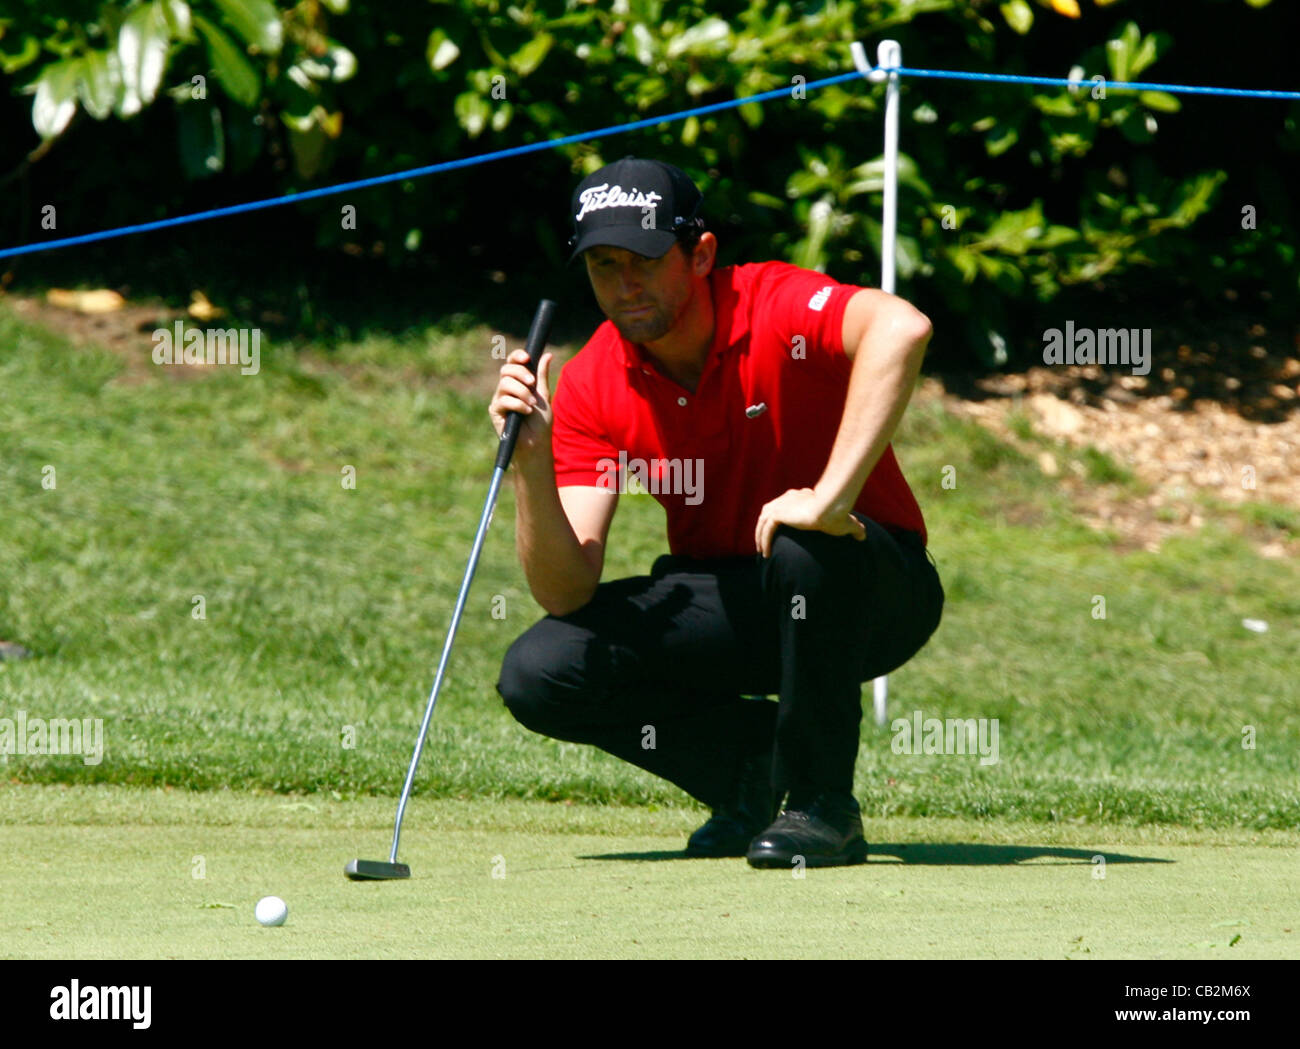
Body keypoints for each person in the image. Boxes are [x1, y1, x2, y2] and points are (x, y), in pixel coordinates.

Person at [490, 157, 943, 868]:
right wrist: (531, 463)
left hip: (868, 585)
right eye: (604, 264)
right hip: (734, 596)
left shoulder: (774, 302)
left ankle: (821, 804)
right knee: (541, 669)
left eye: (643, 258)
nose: (624, 284)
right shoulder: (589, 380)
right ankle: (753, 769)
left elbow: (902, 328)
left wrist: (831, 495)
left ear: (701, 254)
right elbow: (566, 587)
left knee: (804, 542)